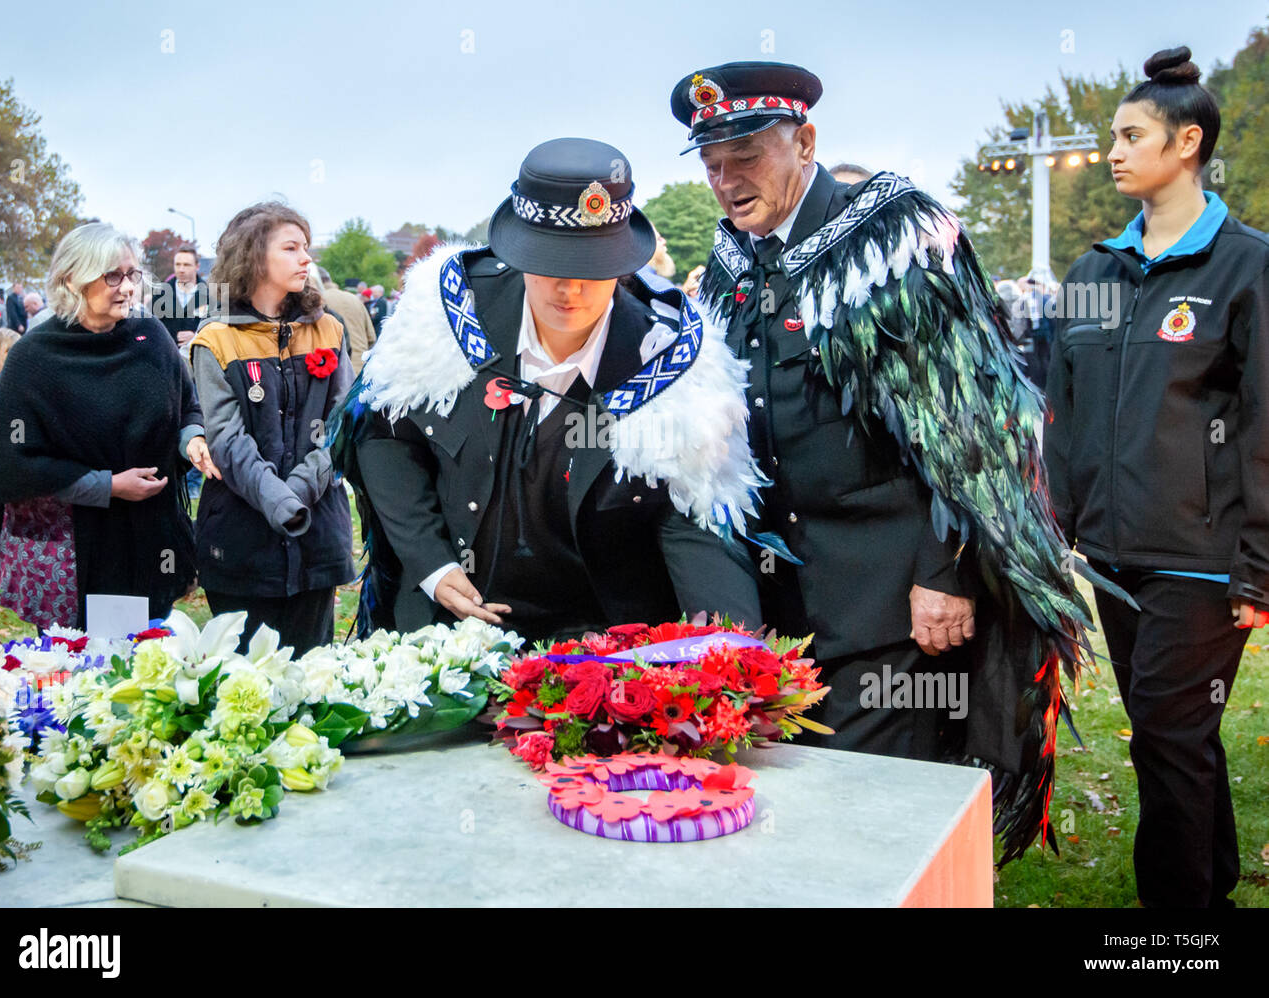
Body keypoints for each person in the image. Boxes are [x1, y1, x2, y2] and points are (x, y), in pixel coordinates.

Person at [671, 61, 1099, 864]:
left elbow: (976, 425)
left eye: (746, 158)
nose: (725, 182)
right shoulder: (734, 260)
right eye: (710, 164)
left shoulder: (893, 239)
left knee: (876, 820)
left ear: (805, 142)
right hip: (781, 601)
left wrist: (947, 572)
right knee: (795, 811)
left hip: (891, 602)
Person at [331, 138, 762, 645]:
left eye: (592, 269)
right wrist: (432, 563)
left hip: (598, 652)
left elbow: (696, 518)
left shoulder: (673, 360)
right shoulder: (446, 313)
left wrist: (733, 656)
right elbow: (384, 434)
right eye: (551, 264)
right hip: (443, 633)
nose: (570, 289)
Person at [1045, 47, 1269, 907]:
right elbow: (1063, 409)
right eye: (1111, 135)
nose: (1113, 150)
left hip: (1202, 557)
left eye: (1132, 135)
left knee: (1168, 742)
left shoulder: (1246, 266)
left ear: (1188, 144)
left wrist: (1259, 560)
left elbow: (1263, 423)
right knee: (1178, 736)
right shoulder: (1096, 270)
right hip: (1111, 553)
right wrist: (1054, 531)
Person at [0, 223, 216, 630]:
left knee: (146, 664)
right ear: (73, 279)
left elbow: (188, 406)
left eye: (132, 275)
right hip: (71, 550)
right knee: (76, 670)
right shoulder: (35, 358)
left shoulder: (150, 337)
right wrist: (108, 486)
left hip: (149, 537)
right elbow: (15, 461)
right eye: (113, 276)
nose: (127, 287)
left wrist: (191, 440)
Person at [190, 202, 355, 656]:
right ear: (254, 256)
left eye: (307, 248)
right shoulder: (216, 339)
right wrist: (277, 500)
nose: (307, 259)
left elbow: (342, 425)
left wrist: (297, 492)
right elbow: (227, 440)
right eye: (291, 248)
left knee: (311, 681)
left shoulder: (330, 331)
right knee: (246, 686)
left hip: (316, 536)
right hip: (241, 542)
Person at [315, 267, 375, 375]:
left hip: (335, 372)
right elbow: (371, 337)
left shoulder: (316, 302)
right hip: (360, 366)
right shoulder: (354, 299)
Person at [156, 246, 210, 348]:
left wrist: (196, 336)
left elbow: (215, 328)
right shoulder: (160, 293)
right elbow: (155, 327)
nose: (181, 269)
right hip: (170, 355)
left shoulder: (210, 295)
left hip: (199, 355)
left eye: (186, 265)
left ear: (197, 267)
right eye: (178, 264)